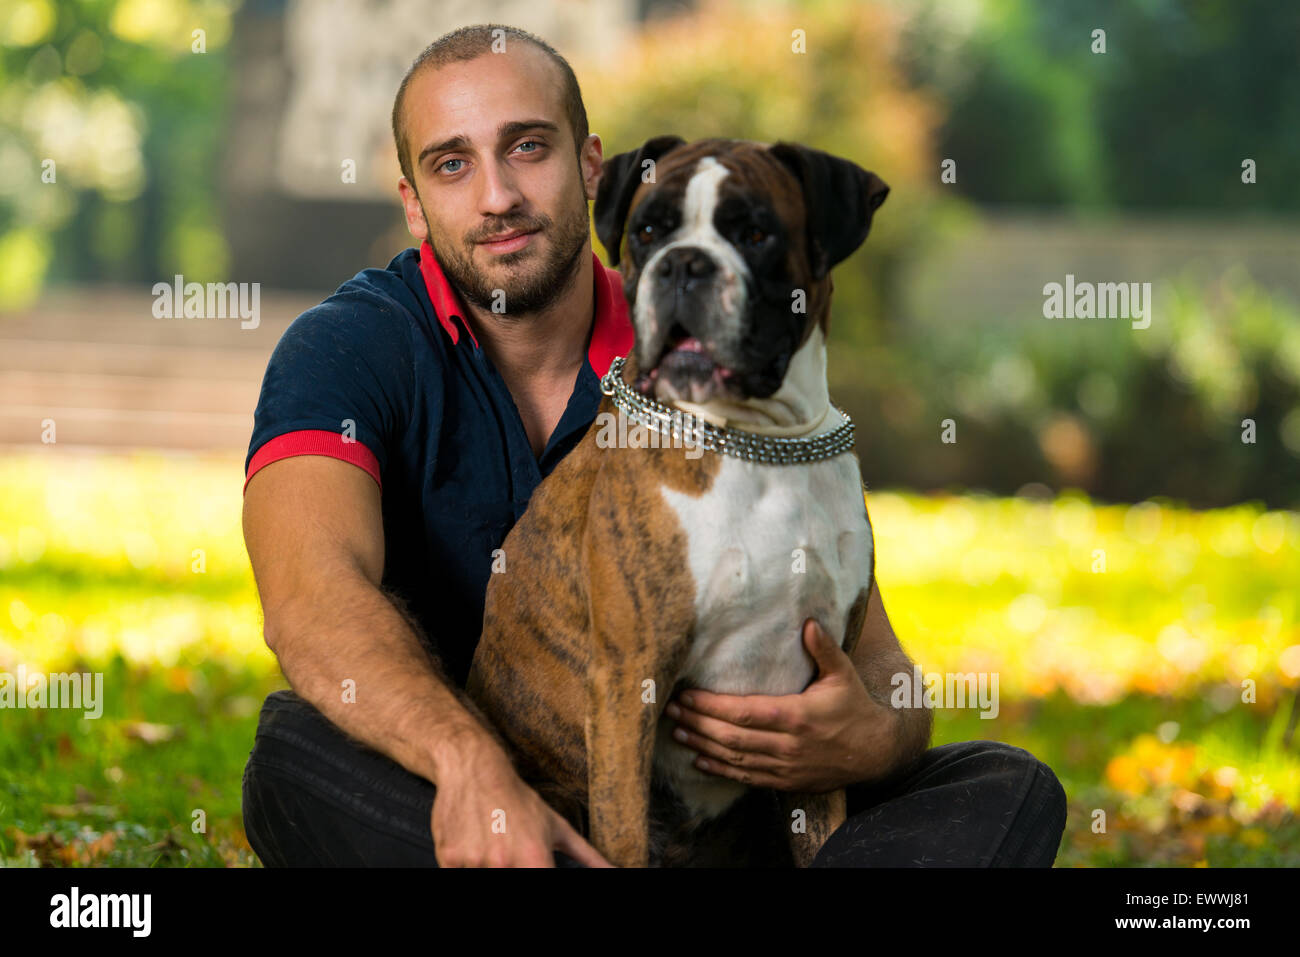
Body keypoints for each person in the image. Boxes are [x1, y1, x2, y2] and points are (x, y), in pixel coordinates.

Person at [239, 22, 1067, 868]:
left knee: (1008, 786)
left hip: (736, 817)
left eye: (528, 148)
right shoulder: (346, 348)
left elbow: (877, 659)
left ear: (593, 167)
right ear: (412, 199)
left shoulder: (724, 371)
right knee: (296, 753)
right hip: (474, 803)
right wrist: (471, 766)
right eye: (452, 163)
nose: (496, 195)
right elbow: (311, 602)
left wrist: (875, 734)